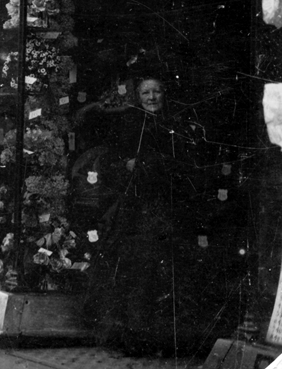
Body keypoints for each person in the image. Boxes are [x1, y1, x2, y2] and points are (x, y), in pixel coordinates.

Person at [83, 73, 205, 357]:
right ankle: (131, 337)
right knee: (133, 270)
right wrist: (125, 166)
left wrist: (149, 164)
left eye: (157, 92)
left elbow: (185, 166)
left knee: (160, 272)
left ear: (165, 95)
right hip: (134, 211)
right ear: (137, 97)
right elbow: (110, 163)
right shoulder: (129, 124)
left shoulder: (175, 125)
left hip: (164, 209)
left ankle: (161, 339)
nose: (152, 98)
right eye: (146, 93)